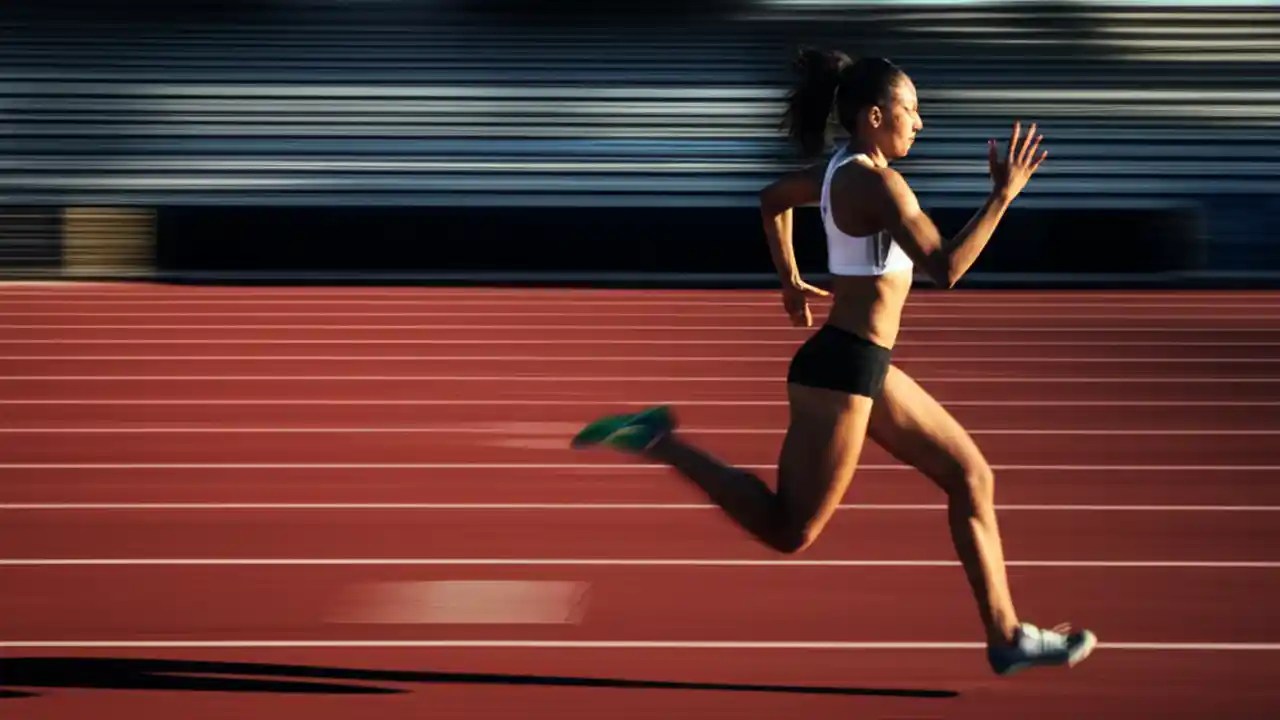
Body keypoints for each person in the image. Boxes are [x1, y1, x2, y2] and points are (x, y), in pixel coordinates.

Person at [571, 48, 1095, 676]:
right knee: (788, 531)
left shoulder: (837, 171)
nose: (921, 123)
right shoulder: (877, 184)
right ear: (876, 116)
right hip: (842, 374)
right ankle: (661, 439)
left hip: (863, 367)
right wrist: (1003, 196)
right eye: (912, 110)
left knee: (972, 478)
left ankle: (1007, 637)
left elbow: (771, 200)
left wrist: (790, 280)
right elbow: (946, 268)